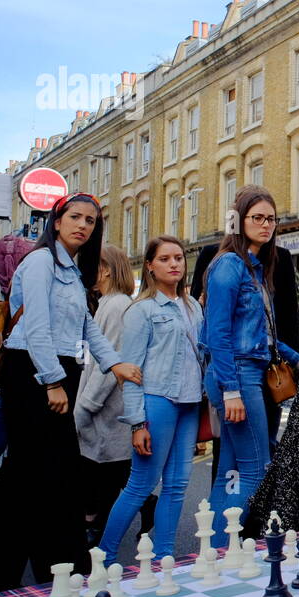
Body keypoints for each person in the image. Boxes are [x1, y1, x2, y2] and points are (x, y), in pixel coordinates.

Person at [0, 192, 142, 593]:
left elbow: (86, 328)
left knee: (42, 477)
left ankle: (46, 571)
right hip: (31, 371)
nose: (82, 225)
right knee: (38, 475)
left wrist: (115, 363)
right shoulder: (38, 263)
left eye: (90, 220)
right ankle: (10, 578)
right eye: (75, 217)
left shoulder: (72, 271)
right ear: (56, 220)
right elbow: (35, 326)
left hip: (58, 369)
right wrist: (51, 381)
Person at [203, 186, 299, 546]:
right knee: (256, 469)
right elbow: (218, 333)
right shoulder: (229, 265)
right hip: (237, 376)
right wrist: (231, 390)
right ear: (240, 221)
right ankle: (219, 548)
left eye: (271, 219)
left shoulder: (257, 268)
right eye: (257, 218)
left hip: (248, 371)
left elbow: (265, 335)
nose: (266, 225)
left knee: (229, 471)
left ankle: (210, 548)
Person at [99, 236, 205, 566]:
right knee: (141, 485)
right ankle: (103, 558)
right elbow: (130, 371)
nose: (174, 264)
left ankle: (163, 559)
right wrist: (137, 422)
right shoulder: (141, 311)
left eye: (179, 258)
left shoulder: (194, 307)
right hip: (157, 399)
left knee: (177, 485)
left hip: (189, 402)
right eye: (165, 259)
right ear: (150, 266)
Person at [75, 245, 152, 546]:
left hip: (108, 407)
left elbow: (112, 363)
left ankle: (98, 535)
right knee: (112, 472)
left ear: (106, 269)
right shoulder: (107, 303)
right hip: (104, 406)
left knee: (104, 472)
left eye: (92, 264)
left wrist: (86, 405)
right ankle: (143, 506)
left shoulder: (117, 306)